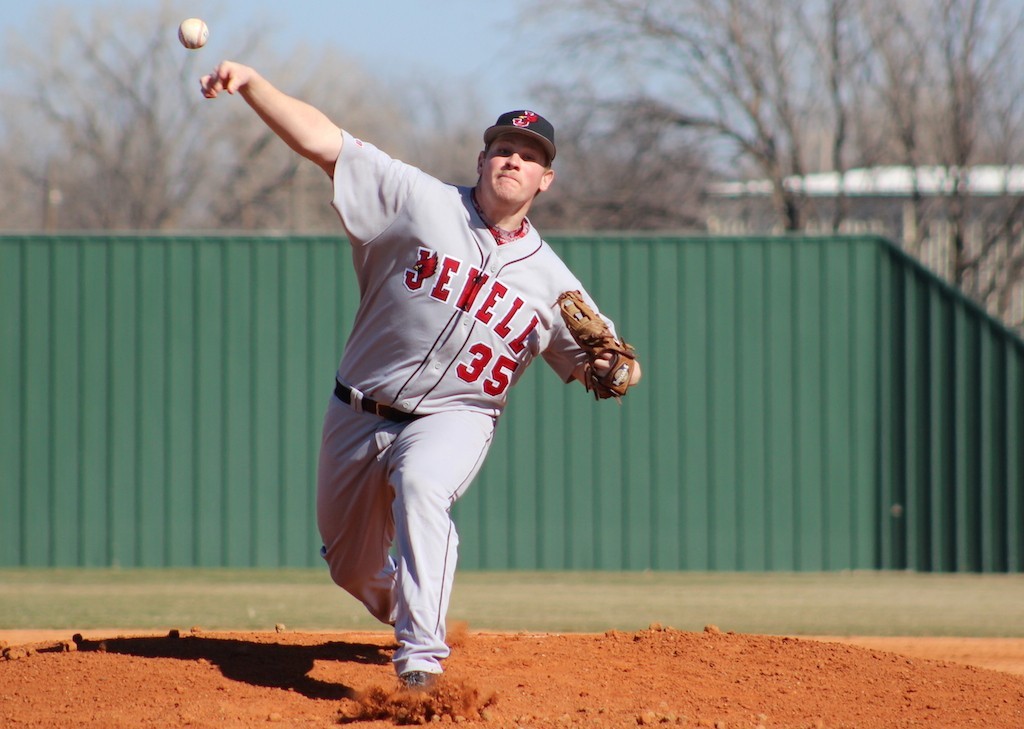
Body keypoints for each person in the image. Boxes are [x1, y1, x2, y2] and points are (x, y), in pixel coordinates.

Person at [199, 61, 642, 690]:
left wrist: (615, 371)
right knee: (350, 568)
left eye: (528, 155)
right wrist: (251, 86)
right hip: (358, 408)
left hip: (459, 416)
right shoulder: (417, 200)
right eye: (503, 148)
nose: (513, 160)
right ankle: (407, 606)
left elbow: (614, 365)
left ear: (546, 180)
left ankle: (421, 664)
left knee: (422, 487)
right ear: (483, 159)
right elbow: (325, 142)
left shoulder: (554, 283)